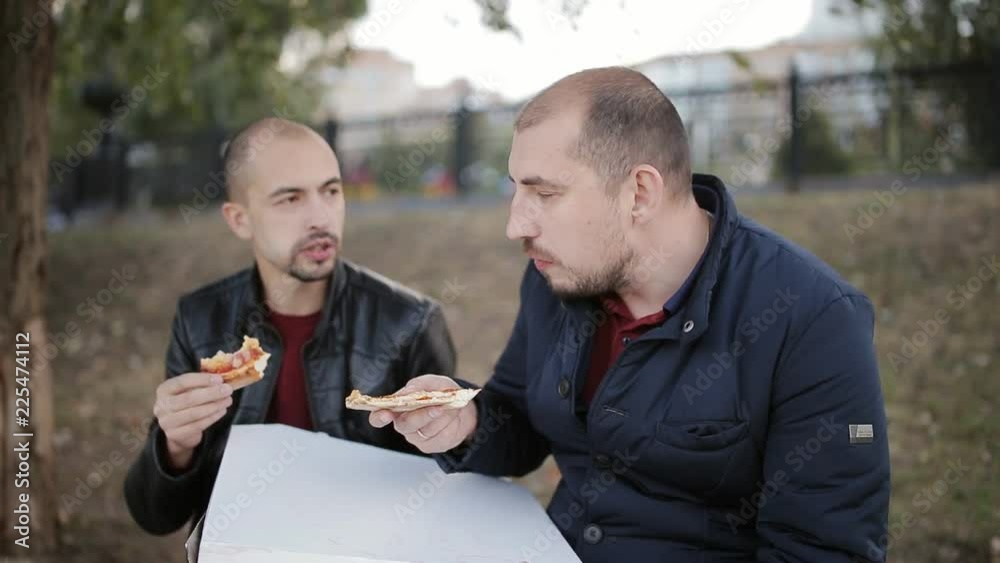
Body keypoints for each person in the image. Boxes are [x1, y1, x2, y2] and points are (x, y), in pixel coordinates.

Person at [370, 67, 891, 563]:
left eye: (544, 193)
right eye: (516, 189)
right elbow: (521, 415)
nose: (516, 227)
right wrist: (467, 419)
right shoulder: (559, 275)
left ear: (639, 193)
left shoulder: (812, 319)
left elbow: (820, 549)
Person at [124, 117, 456, 536]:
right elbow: (155, 517)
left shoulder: (409, 322)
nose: (320, 217)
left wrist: (448, 434)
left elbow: (444, 491)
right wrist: (174, 445)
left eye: (331, 191)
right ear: (239, 219)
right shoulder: (200, 321)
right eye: (290, 199)